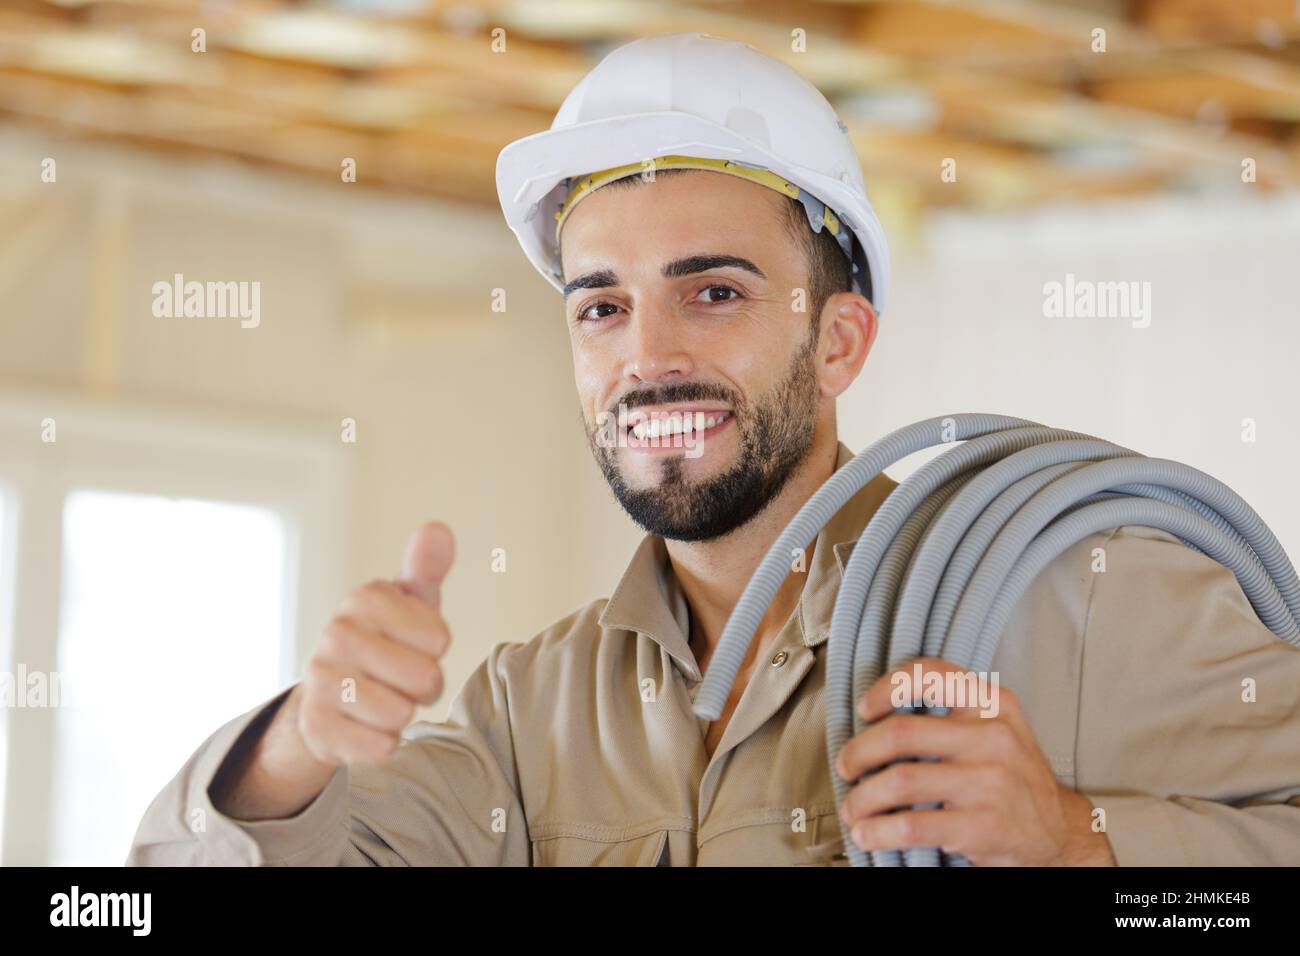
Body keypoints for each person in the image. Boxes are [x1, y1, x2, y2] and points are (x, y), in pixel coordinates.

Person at [128, 32, 1300, 866]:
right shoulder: (531, 716)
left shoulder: (1077, 601)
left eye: (713, 291)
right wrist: (299, 743)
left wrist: (1073, 841)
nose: (646, 357)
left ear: (838, 340)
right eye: (600, 305)